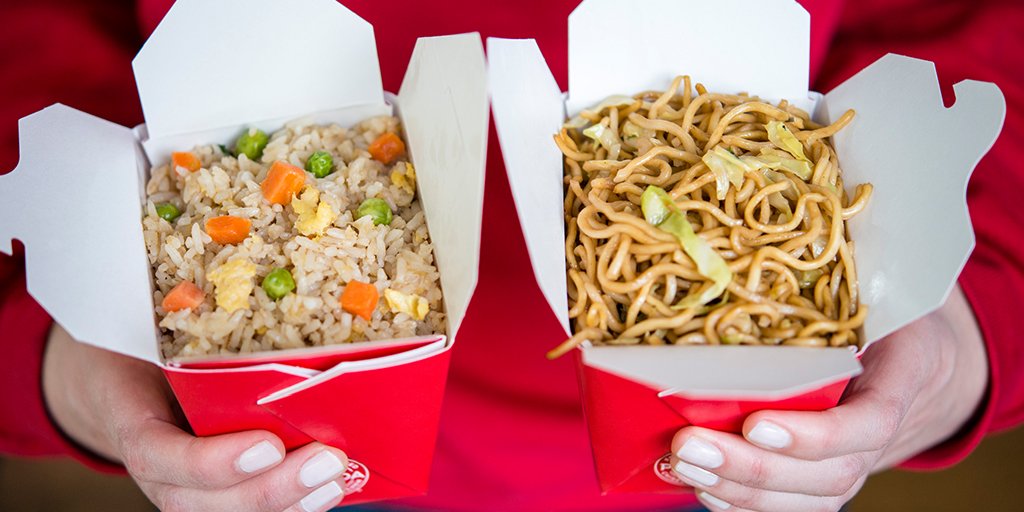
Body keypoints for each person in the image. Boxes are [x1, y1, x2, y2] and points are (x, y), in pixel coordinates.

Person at [1, 0, 1021, 511]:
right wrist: (75, 352)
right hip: (268, 446)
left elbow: (981, 56)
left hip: (711, 462)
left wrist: (953, 341)